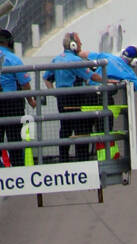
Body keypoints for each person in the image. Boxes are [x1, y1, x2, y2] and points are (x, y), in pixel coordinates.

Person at [43, 33, 102, 162]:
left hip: (61, 99)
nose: (81, 44)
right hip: (76, 98)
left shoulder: (56, 59)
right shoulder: (76, 61)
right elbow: (92, 76)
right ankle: (82, 161)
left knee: (65, 128)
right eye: (79, 42)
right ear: (73, 45)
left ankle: (63, 160)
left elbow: (46, 78)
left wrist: (54, 92)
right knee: (81, 130)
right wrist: (107, 80)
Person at [0, 28, 34, 167]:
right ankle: (17, 173)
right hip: (12, 102)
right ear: (10, 43)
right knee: (14, 138)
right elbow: (25, 83)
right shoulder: (14, 59)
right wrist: (31, 100)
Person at [83, 43, 137, 119]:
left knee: (86, 125)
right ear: (134, 61)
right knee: (105, 123)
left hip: (88, 92)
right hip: (102, 98)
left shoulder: (108, 57)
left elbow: (85, 54)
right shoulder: (129, 74)